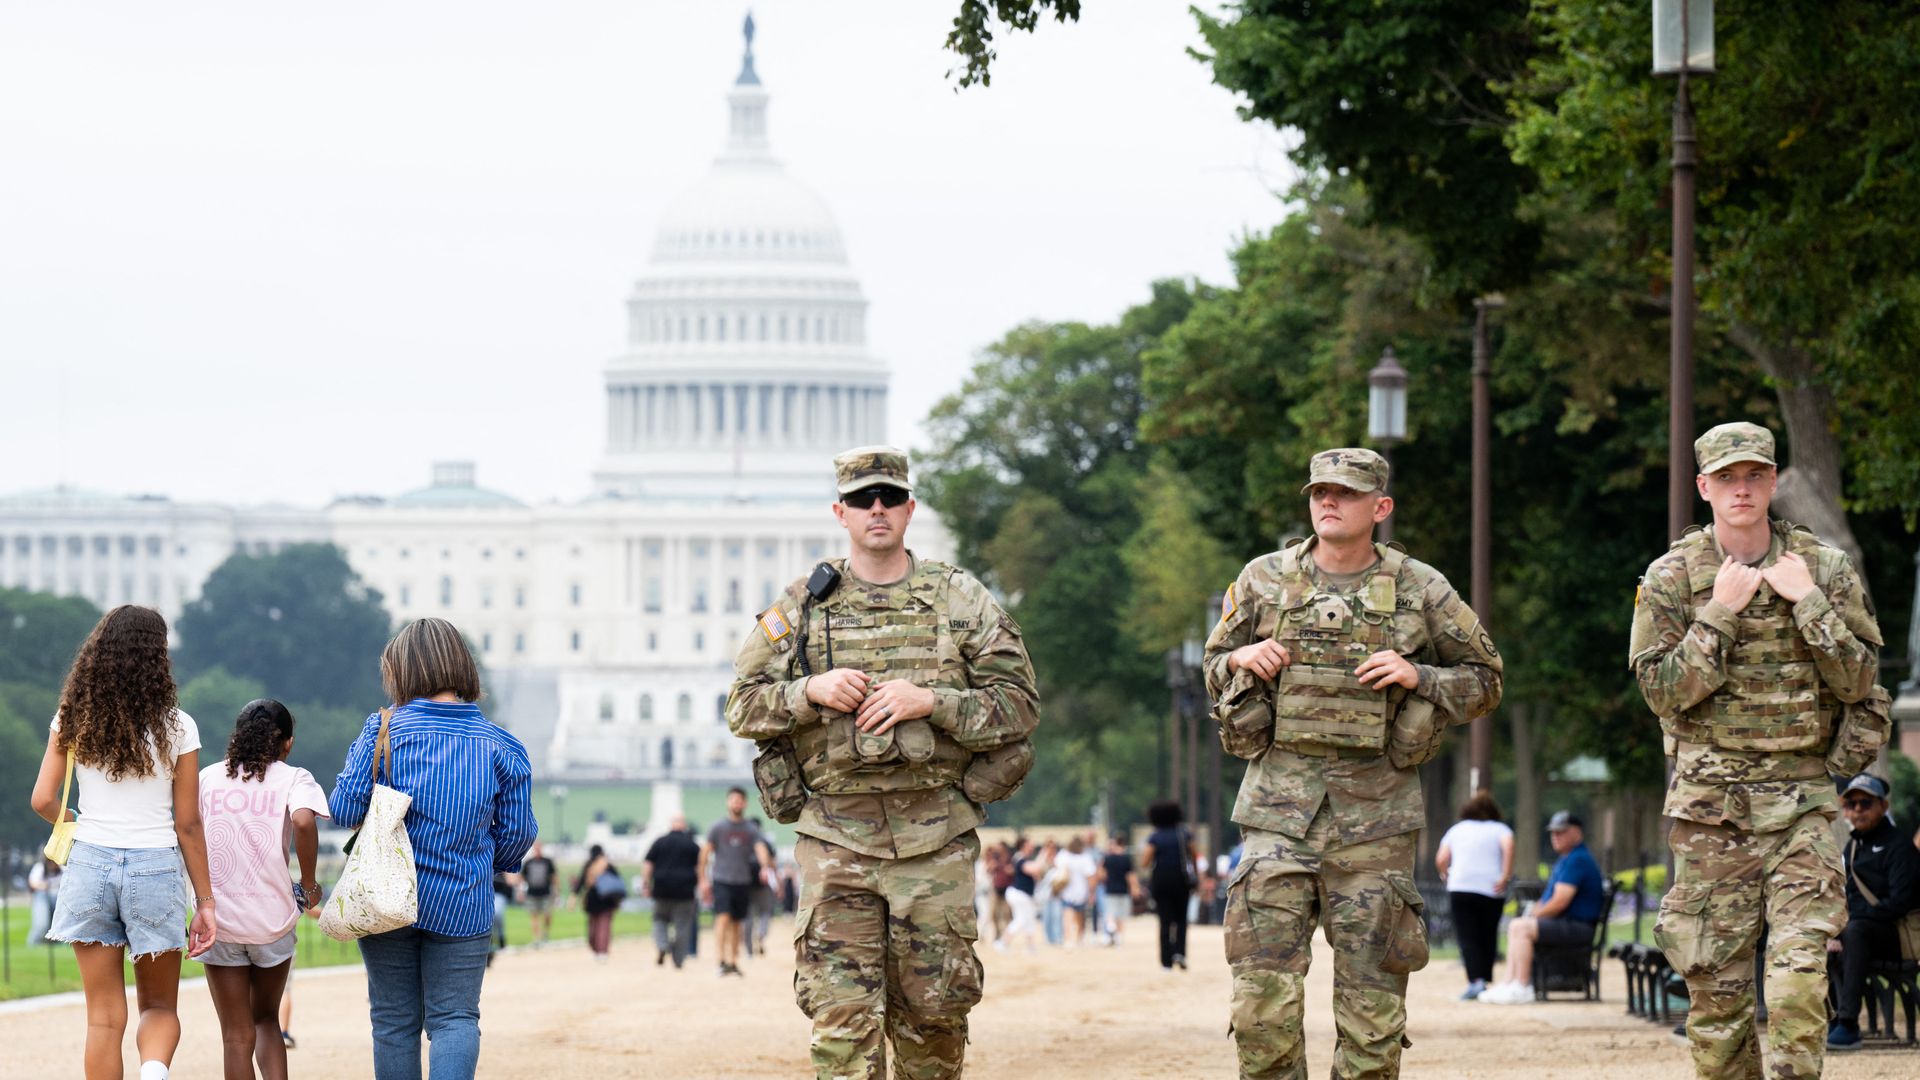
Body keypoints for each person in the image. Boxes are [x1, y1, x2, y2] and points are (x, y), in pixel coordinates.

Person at [727, 445, 1040, 1079]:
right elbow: (742, 707)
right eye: (865, 499)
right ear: (839, 512)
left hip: (935, 839)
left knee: (934, 1024)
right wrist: (808, 692)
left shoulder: (960, 599)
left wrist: (933, 702)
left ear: (909, 509)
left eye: (890, 498)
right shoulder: (802, 606)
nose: (878, 509)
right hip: (836, 838)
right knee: (841, 1025)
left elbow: (1020, 707)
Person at [1208, 448, 1503, 1078]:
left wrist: (1419, 675)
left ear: (1380, 507)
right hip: (1275, 819)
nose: (1328, 503)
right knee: (1261, 1007)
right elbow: (1212, 667)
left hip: (1377, 823)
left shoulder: (1422, 587)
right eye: (1319, 492)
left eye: (1344, 492)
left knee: (1373, 1015)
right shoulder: (1262, 579)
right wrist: (1238, 661)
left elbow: (1485, 679)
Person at [1631, 422, 1880, 1080]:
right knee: (1717, 998)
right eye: (1727, 478)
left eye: (1754, 476)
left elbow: (1859, 682)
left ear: (1772, 482)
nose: (1742, 489)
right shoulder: (1671, 578)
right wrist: (1719, 612)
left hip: (1801, 804)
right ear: (1703, 487)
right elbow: (1662, 694)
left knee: (1799, 985)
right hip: (1712, 813)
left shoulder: (1824, 569)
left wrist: (1810, 604)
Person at [329, 616, 538, 1080]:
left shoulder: (382, 730)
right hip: (464, 897)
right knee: (455, 1019)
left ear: (402, 671)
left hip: (385, 897)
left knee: (393, 1023)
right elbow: (519, 832)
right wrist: (487, 862)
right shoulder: (501, 745)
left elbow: (343, 808)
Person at [29, 604, 217, 1080]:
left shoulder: (71, 719)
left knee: (103, 1019)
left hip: (89, 861)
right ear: (159, 657)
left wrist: (72, 819)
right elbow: (188, 823)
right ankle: (153, 1073)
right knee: (158, 1007)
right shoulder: (179, 726)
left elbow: (42, 800)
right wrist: (207, 901)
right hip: (155, 865)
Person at [198, 699, 328, 1080]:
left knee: (236, 1036)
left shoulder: (206, 778)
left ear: (237, 737)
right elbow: (304, 822)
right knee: (267, 1021)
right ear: (286, 743)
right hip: (272, 919)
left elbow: (187, 829)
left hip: (219, 917)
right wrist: (308, 883)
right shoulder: (294, 777)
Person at [1827, 773, 1920, 1050]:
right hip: (1860, 934)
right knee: (1822, 936)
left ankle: (1848, 1024)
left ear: (1883, 806)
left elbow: (1900, 902)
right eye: (1851, 804)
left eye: (1865, 803)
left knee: (1855, 931)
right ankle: (1829, 1020)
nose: (1857, 810)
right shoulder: (1852, 846)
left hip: (1895, 935)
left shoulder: (1899, 846)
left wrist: (1850, 925)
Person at [1480, 811, 1604, 1004]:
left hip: (1578, 927)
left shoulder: (1577, 859)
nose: (1555, 836)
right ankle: (1510, 983)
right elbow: (1550, 900)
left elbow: (1559, 902)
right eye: (1553, 832)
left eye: (1561, 832)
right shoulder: (1568, 858)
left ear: (1577, 833)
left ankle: (1522, 986)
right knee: (1517, 925)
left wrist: (1534, 914)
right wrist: (1534, 913)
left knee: (1520, 927)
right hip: (1568, 924)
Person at [1435, 790, 1514, 1000]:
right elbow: (1508, 848)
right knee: (1488, 933)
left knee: (1467, 936)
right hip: (1491, 889)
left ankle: (1475, 981)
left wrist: (1445, 872)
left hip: (1461, 886)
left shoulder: (1457, 829)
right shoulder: (1501, 829)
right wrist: (1505, 876)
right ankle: (1485, 978)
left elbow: (1442, 857)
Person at [699, 788, 772, 976]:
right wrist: (702, 879)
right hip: (722, 879)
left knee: (738, 923)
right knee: (722, 918)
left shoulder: (750, 829)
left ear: (745, 803)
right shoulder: (718, 827)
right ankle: (720, 960)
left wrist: (765, 866)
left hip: (742, 880)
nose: (736, 804)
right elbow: (705, 853)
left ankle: (733, 961)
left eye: (739, 801)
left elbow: (761, 848)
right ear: (728, 802)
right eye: (733, 800)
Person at [1140, 800, 1197, 971]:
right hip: (1181, 880)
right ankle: (1180, 952)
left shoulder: (1155, 837)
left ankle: (1166, 961)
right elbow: (1194, 855)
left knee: (1165, 921)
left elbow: (1145, 862)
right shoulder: (1184, 834)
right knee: (1181, 918)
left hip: (1161, 880)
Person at [643, 814, 701, 968]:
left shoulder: (659, 842)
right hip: (685, 891)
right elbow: (700, 867)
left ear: (671, 825)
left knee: (659, 920)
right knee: (682, 925)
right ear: (684, 825)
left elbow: (648, 864)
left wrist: (646, 884)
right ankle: (678, 959)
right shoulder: (691, 844)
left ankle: (662, 945)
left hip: (661, 889)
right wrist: (703, 884)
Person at [573, 845, 624, 962]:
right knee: (604, 927)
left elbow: (581, 882)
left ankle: (596, 949)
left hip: (592, 900)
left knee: (593, 927)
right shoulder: (608, 865)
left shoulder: (588, 865)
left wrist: (574, 896)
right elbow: (617, 882)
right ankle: (602, 951)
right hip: (607, 899)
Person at [1001, 836, 1043, 954]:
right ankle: (1003, 942)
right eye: (1030, 844)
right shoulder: (1020, 858)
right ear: (1024, 845)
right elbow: (1035, 869)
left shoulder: (1021, 858)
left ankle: (1030, 946)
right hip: (1020, 894)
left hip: (1021, 895)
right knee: (1021, 920)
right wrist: (1044, 855)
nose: (1032, 846)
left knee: (1028, 920)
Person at [1055, 835, 1098, 948]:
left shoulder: (1063, 855)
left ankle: (1068, 939)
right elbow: (1091, 877)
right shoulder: (1085, 858)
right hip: (1081, 892)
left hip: (1066, 891)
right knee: (1079, 916)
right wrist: (1092, 892)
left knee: (1067, 915)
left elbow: (1056, 867)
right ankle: (1078, 938)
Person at [1098, 833, 1140, 947]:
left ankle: (1111, 927)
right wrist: (1135, 889)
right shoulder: (1127, 859)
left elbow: (1101, 875)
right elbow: (1131, 876)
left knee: (1110, 913)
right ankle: (1119, 937)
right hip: (1123, 890)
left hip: (1110, 889)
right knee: (1121, 915)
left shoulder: (1107, 858)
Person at [519, 841, 557, 948]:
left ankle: (545, 934)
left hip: (546, 892)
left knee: (547, 915)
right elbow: (522, 878)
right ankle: (537, 938)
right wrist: (521, 891)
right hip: (532, 893)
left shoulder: (548, 862)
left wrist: (556, 891)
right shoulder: (529, 863)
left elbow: (554, 877)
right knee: (534, 916)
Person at [26, 856, 60, 948]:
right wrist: (45, 886)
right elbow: (33, 883)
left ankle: (55, 942)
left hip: (58, 898)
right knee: (41, 925)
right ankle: (33, 944)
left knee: (58, 925)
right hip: (43, 897)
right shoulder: (40, 867)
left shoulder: (62, 868)